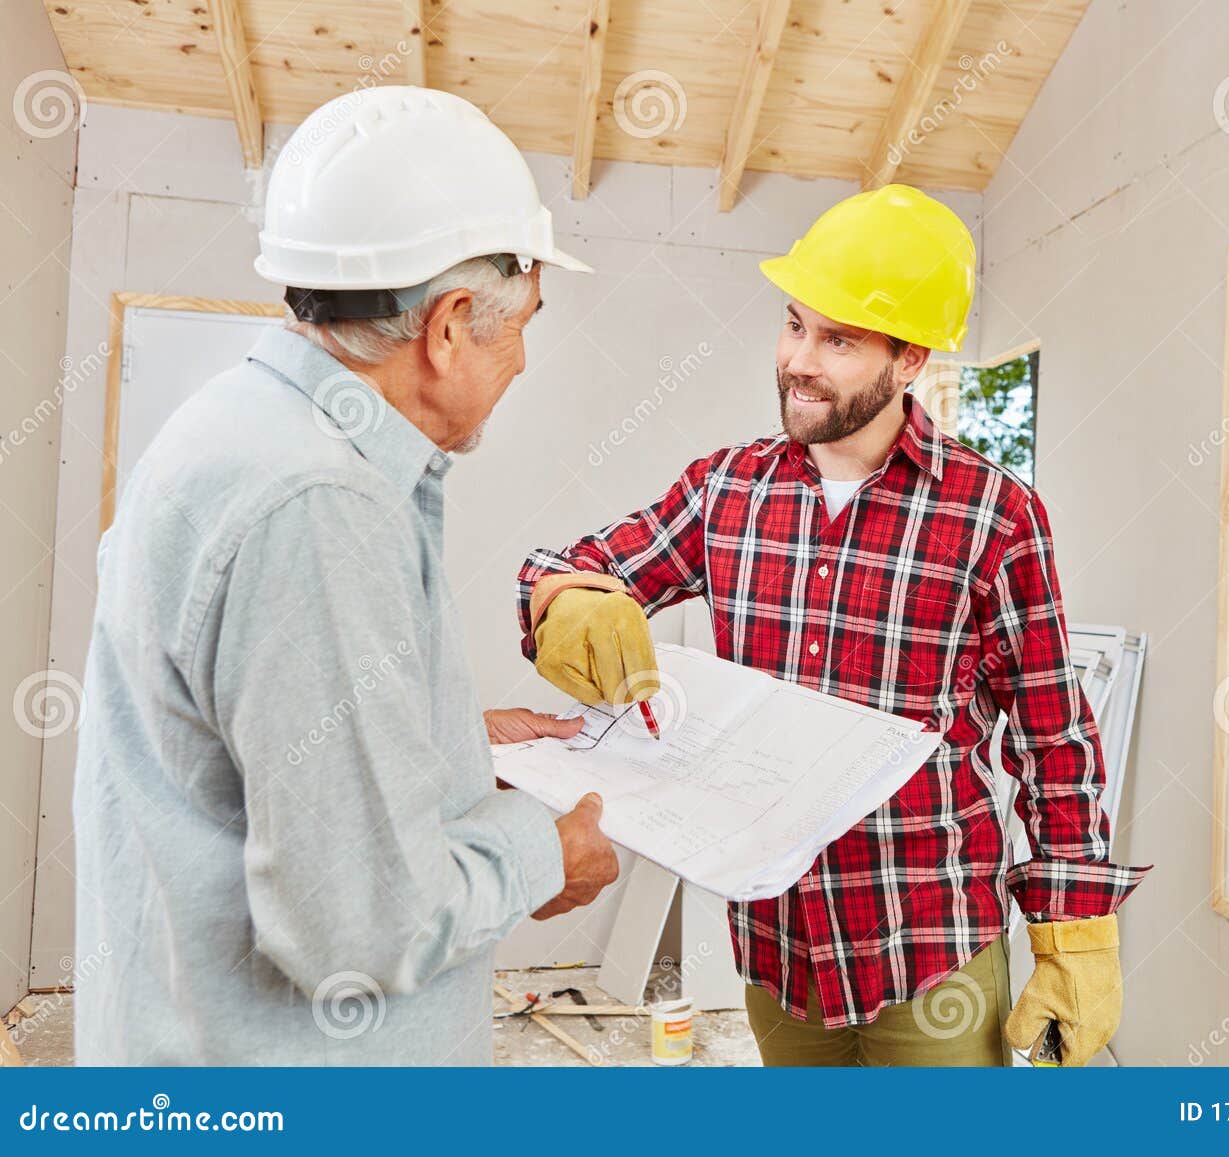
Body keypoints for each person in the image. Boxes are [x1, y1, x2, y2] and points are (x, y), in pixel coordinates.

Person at [516, 184, 1150, 1066]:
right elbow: (571, 565)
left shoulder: (993, 515)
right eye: (794, 324)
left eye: (840, 338)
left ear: (909, 360)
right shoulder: (726, 490)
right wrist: (565, 598)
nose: (798, 360)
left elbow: (1054, 736)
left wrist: (1073, 935)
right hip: (781, 950)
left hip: (929, 949)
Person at [73, 86, 617, 1065]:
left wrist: (442, 738)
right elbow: (361, 928)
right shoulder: (315, 504)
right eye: (523, 321)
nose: (526, 359)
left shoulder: (240, 429)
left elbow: (248, 745)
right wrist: (548, 852)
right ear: (450, 326)